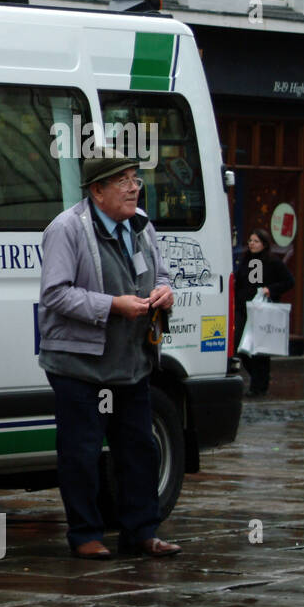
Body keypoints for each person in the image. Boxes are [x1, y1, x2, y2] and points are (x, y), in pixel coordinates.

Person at [37, 154, 181, 559]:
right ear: (97, 191)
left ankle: (142, 532)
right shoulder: (67, 229)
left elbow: (162, 275)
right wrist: (111, 305)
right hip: (79, 366)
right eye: (122, 180)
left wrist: (165, 293)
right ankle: (85, 535)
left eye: (135, 178)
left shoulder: (142, 226)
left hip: (130, 363)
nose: (134, 187)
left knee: (140, 450)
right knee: (81, 453)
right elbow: (54, 294)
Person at [234, 227, 294, 397]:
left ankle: (259, 386)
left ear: (264, 244)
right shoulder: (246, 260)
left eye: (256, 241)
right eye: (250, 241)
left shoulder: (273, 262)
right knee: (241, 347)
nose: (252, 244)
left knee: (260, 350)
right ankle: (258, 379)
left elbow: (289, 281)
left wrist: (270, 289)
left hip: (262, 310)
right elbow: (241, 282)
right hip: (244, 309)